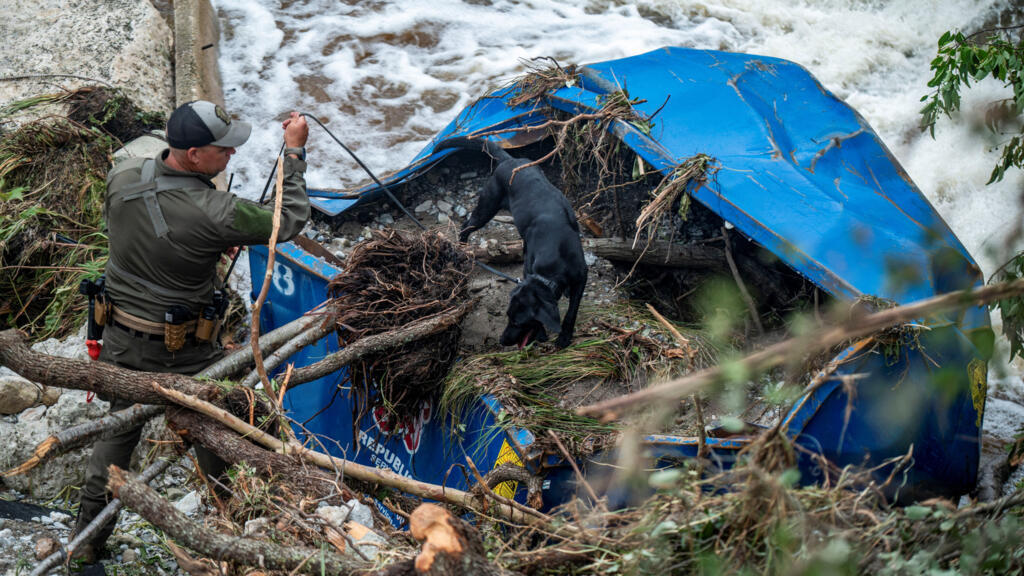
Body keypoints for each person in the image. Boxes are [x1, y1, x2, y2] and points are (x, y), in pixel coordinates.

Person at [71, 100, 311, 565]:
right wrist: (294, 153)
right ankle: (234, 527)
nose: (232, 156)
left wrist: (201, 242)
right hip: (183, 354)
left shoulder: (125, 175)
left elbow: (151, 230)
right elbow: (290, 219)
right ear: (195, 154)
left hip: (118, 339)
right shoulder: (214, 211)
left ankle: (84, 547)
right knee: (219, 425)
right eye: (224, 150)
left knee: (117, 437)